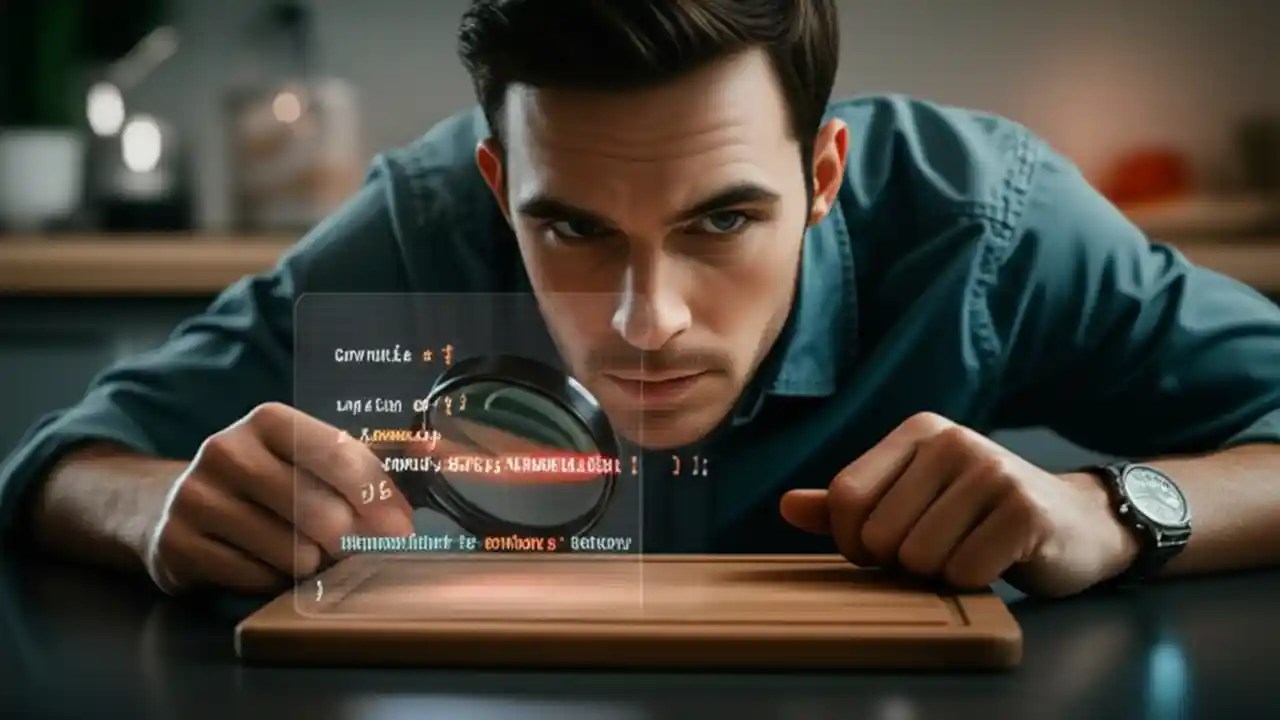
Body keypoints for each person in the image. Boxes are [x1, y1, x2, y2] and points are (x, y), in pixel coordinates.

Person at [3, 0, 1279, 599]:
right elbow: (65, 461)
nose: (643, 320)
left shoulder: (984, 230)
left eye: (721, 219)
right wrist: (161, 509)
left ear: (821, 173)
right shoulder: (420, 222)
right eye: (570, 226)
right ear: (499, 188)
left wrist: (1111, 511)